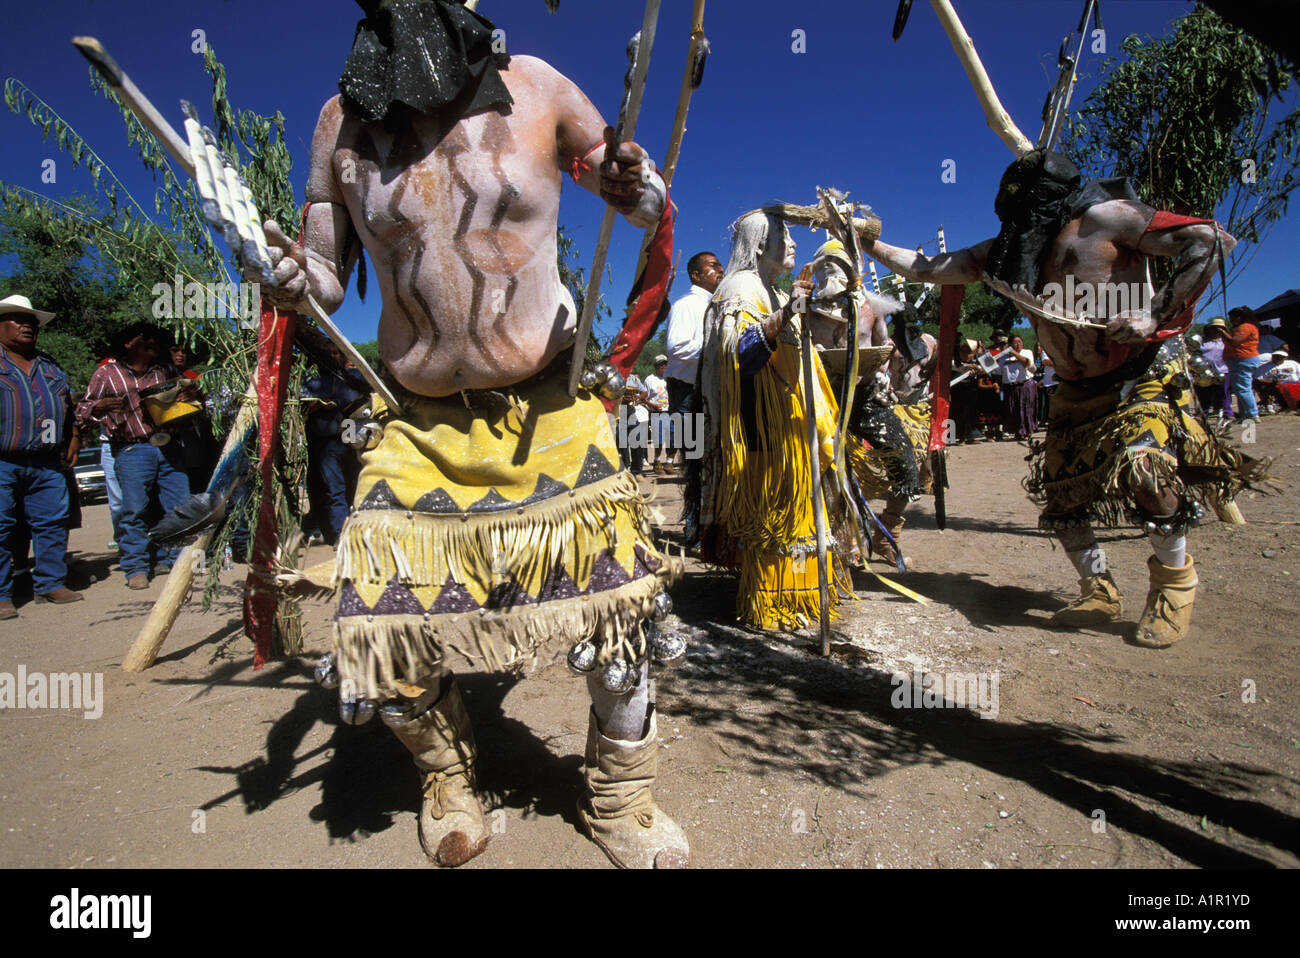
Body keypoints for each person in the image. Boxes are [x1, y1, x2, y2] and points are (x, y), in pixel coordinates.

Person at [246, 0, 685, 869]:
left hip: (550, 416)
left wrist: (643, 186)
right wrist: (295, 278)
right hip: (418, 429)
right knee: (383, 628)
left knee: (618, 625)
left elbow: (638, 199)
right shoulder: (341, 121)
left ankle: (621, 798)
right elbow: (327, 277)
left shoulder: (540, 89)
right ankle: (447, 779)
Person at [864, 148, 1259, 649]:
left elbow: (1210, 239)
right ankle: (1098, 588)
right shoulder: (1010, 249)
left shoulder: (1109, 219)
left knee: (1145, 473)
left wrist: (1152, 316)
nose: (1015, 216)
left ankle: (1173, 587)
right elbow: (927, 267)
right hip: (1074, 391)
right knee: (1062, 496)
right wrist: (867, 242)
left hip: (1137, 376)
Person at [693, 210, 847, 630]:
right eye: (785, 235)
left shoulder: (774, 291)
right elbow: (739, 356)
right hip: (761, 425)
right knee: (774, 514)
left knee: (798, 507)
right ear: (760, 244)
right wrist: (788, 312)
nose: (794, 244)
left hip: (789, 421)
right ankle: (769, 602)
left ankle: (796, 597)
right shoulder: (740, 288)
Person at [76, 323, 197, 589]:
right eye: (145, 339)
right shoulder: (107, 373)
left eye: (155, 339)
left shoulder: (166, 371)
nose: (152, 343)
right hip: (132, 449)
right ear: (129, 343)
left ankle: (181, 562)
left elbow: (189, 401)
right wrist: (100, 406)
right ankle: (136, 566)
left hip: (170, 446)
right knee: (134, 509)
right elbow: (82, 410)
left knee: (179, 506)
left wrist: (190, 395)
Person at [0, 294, 83, 619]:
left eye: (31, 323)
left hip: (47, 460)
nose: (27, 327)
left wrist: (74, 435)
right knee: (1, 526)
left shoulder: (49, 365)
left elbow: (68, 408)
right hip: (3, 459)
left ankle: (50, 583)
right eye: (18, 320)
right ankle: (2, 595)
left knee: (52, 523)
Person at [302, 347, 367, 544]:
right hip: (325, 442)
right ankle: (340, 533)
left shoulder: (353, 378)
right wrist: (317, 405)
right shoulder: (314, 382)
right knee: (334, 488)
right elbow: (300, 402)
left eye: (336, 353)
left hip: (347, 438)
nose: (332, 356)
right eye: (329, 353)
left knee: (353, 485)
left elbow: (368, 394)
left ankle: (354, 531)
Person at [663, 251, 723, 466]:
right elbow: (677, 348)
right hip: (687, 393)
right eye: (713, 266)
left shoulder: (715, 306)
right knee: (696, 460)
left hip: (705, 389)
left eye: (720, 265)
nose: (720, 270)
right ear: (696, 275)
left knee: (710, 458)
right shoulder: (687, 305)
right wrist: (720, 348)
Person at [1223, 306, 1261, 423]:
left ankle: (1252, 414)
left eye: (1232, 317)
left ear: (1239, 317)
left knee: (1243, 388)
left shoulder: (1246, 327)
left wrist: (1222, 332)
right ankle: (1245, 414)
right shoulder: (1244, 327)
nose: (1230, 320)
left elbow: (1234, 341)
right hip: (1239, 360)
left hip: (1243, 360)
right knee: (1241, 388)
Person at [998, 334, 1037, 440]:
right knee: (1013, 410)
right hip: (1010, 386)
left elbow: (1028, 364)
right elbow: (998, 371)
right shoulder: (1003, 357)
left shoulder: (1027, 352)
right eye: (1015, 342)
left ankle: (1027, 432)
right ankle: (1017, 432)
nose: (1018, 344)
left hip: (1024, 384)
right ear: (1010, 344)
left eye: (1020, 341)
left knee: (1026, 409)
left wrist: (1014, 353)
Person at [1195, 318, 1233, 420]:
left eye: (1220, 329)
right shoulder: (1202, 341)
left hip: (1223, 370)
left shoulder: (1227, 341)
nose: (1217, 330)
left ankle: (1227, 413)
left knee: (1223, 393)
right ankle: (1203, 413)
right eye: (1214, 328)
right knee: (1204, 393)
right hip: (1204, 371)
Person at [642, 354, 672, 474]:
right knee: (659, 439)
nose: (663, 366)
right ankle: (657, 461)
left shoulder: (670, 377)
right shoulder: (649, 380)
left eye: (665, 363)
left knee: (673, 438)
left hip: (670, 411)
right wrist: (653, 405)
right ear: (656, 366)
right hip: (656, 413)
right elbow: (643, 398)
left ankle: (669, 462)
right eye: (660, 364)